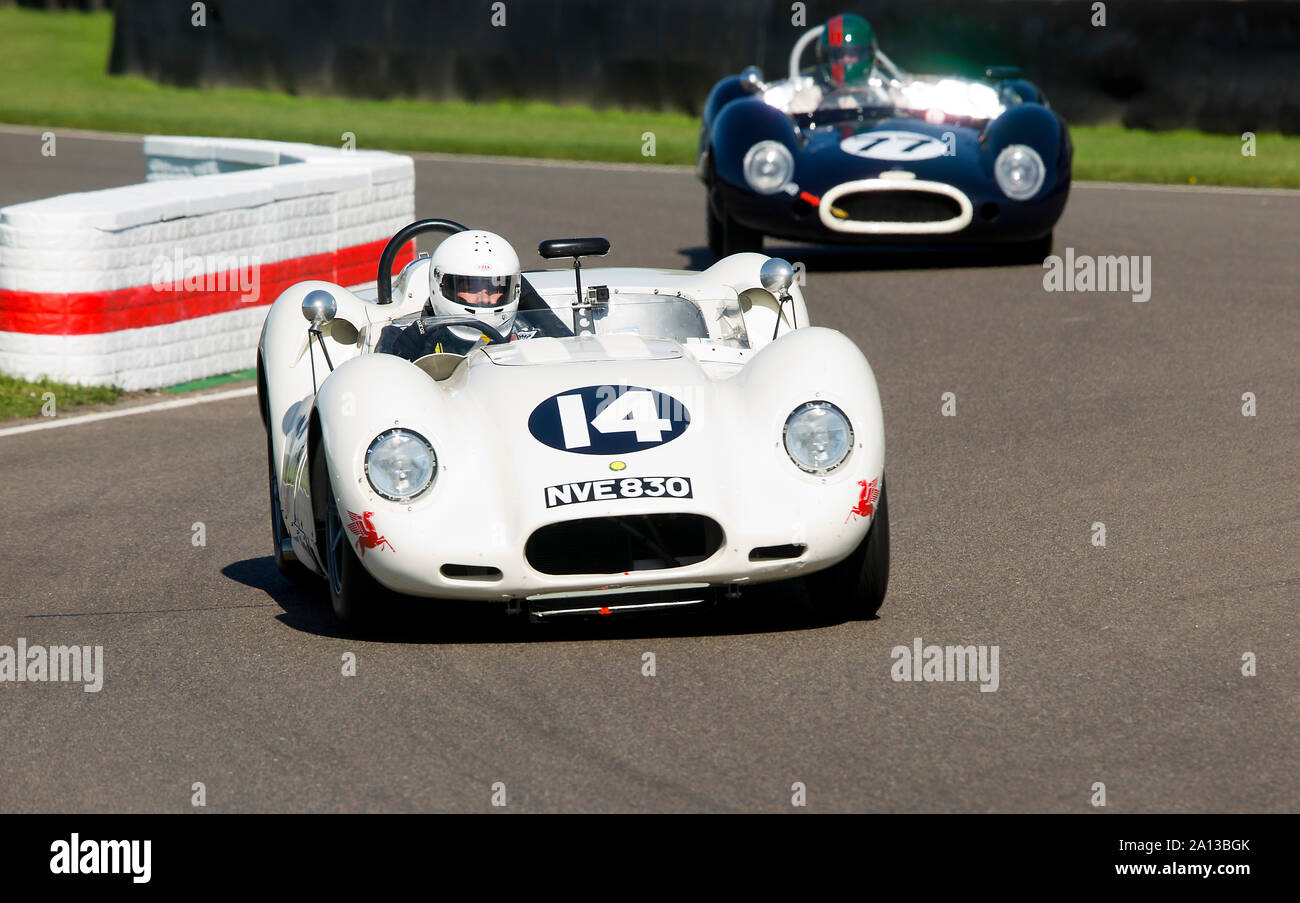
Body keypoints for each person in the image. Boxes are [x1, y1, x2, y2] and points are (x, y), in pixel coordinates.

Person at [376, 230, 523, 360]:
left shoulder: (526, 331)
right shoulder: (405, 339)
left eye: (494, 290)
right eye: (471, 288)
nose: (483, 298)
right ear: (441, 286)